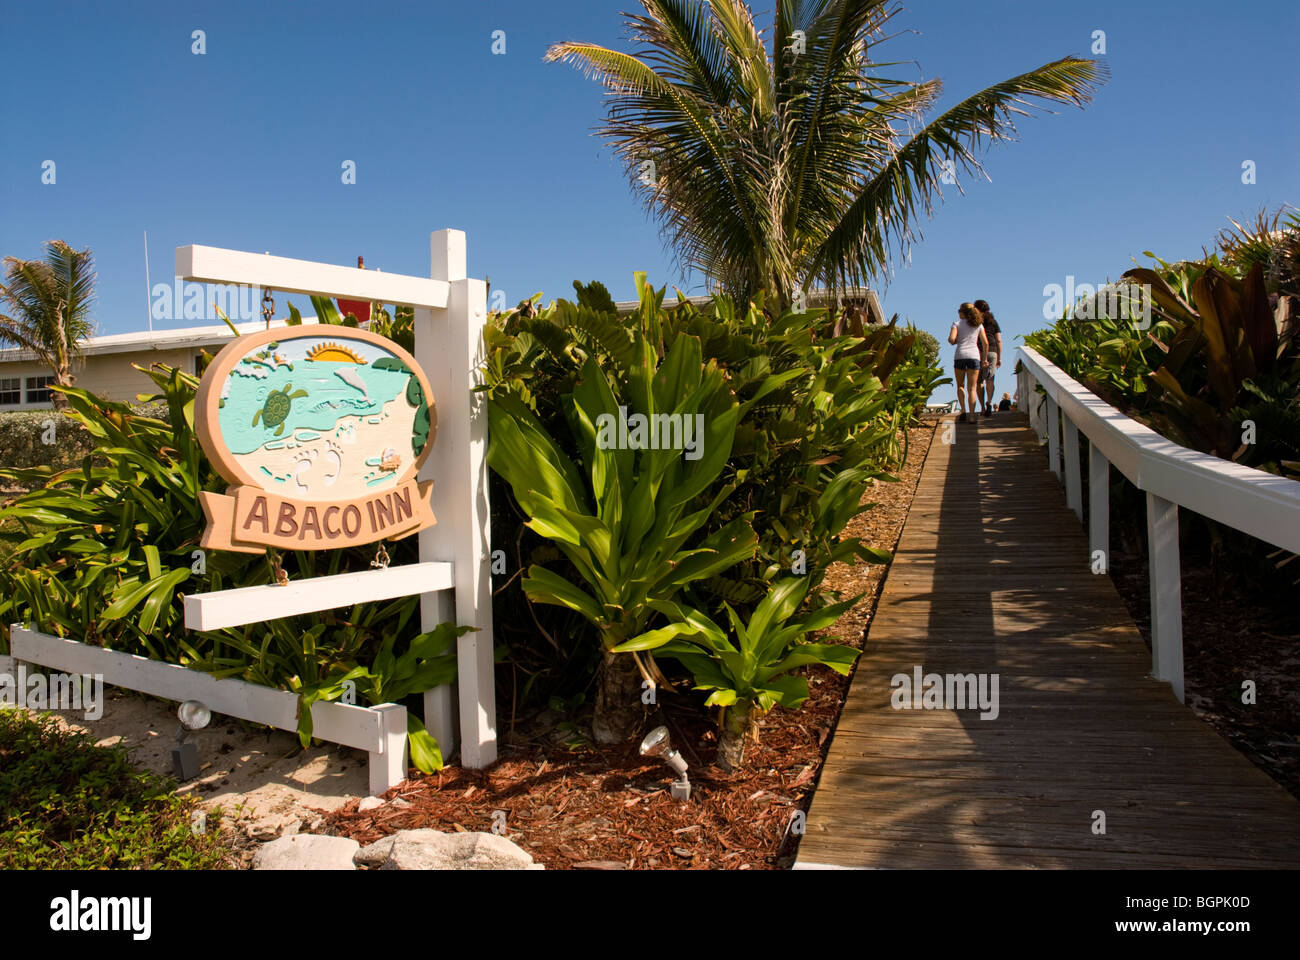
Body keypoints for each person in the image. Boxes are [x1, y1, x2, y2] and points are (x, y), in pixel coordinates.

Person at [948, 303, 988, 423]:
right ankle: (971, 416)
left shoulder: (957, 324)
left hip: (960, 356)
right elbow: (985, 343)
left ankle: (963, 411)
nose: (958, 312)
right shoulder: (978, 325)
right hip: (974, 356)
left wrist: (956, 340)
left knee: (960, 385)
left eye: (959, 310)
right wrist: (984, 359)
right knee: (972, 388)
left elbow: (951, 340)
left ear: (963, 312)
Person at [974, 299, 1002, 416]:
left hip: (978, 351)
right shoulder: (993, 322)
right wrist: (999, 357)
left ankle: (982, 408)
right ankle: (989, 402)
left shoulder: (975, 322)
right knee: (990, 379)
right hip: (992, 351)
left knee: (979, 381)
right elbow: (999, 340)